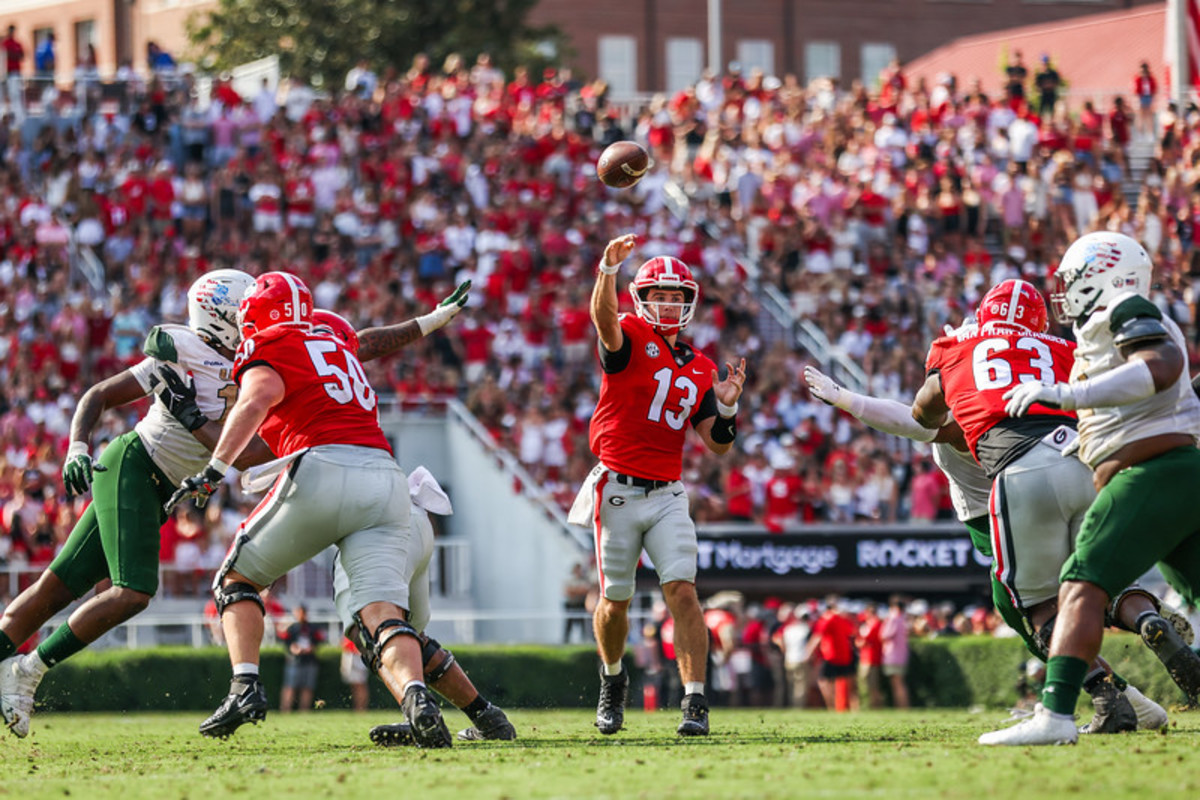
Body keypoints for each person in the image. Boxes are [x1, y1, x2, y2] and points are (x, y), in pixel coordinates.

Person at [804, 296, 1177, 733]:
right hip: (1077, 465)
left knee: (1026, 607)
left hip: (1009, 497)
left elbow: (920, 422)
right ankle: (1144, 629)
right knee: (1091, 584)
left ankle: (1106, 695)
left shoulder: (965, 360)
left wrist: (849, 399)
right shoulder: (1055, 353)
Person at [163, 272, 467, 746]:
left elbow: (258, 397)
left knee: (235, 581)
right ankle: (416, 699)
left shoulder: (268, 340)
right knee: (381, 613)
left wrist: (214, 469)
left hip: (324, 468)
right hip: (386, 476)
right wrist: (430, 321)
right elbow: (369, 341)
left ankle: (244, 686)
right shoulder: (329, 337)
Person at [0, 269, 260, 739]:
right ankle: (28, 670)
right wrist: (77, 446)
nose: (253, 320)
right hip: (134, 465)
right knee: (133, 591)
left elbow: (243, 452)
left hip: (158, 487)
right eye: (244, 312)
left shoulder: (254, 363)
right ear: (219, 317)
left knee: (56, 587)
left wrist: (194, 419)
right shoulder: (185, 351)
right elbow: (99, 394)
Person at [982, 232, 1200, 745]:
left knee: (1079, 585)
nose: (1065, 289)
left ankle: (1055, 714)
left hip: (1150, 472)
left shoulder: (1124, 306)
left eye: (1073, 277)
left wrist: (1066, 393)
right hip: (1174, 471)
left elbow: (1159, 367)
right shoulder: (1110, 324)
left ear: (1101, 272)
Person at [567, 234, 747, 737]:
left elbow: (718, 444)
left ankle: (694, 701)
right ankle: (612, 680)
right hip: (618, 490)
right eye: (660, 295)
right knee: (615, 600)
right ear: (642, 299)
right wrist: (606, 270)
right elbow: (603, 321)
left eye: (677, 296)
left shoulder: (703, 365)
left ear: (689, 303)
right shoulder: (627, 332)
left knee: (683, 593)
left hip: (668, 492)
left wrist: (728, 405)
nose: (669, 303)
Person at [278, 604, 324, 713]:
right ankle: (285, 709)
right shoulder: (292, 628)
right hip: (294, 661)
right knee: (290, 686)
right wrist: (293, 648)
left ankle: (304, 710)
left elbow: (319, 641)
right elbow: (285, 641)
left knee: (307, 687)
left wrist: (311, 648)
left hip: (309, 660)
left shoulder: (312, 628)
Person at [880, 596, 910, 708]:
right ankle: (903, 706)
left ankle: (902, 707)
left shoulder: (894, 619)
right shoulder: (904, 619)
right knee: (900, 683)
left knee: (897, 683)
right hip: (902, 655)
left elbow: (884, 635)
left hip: (893, 655)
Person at [562, 562, 591, 644]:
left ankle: (584, 641)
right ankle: (566, 642)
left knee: (583, 625)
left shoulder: (585, 580)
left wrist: (575, 590)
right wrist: (578, 590)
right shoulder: (569, 580)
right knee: (568, 625)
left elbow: (586, 591)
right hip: (571, 605)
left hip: (580, 605)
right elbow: (567, 591)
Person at [1134, 62, 1157, 141]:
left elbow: (1154, 87)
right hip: (1141, 97)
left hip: (1149, 97)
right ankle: (1140, 133)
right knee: (1140, 116)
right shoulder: (1138, 78)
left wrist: (1153, 96)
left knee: (1149, 116)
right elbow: (1135, 88)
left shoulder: (1150, 78)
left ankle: (1149, 133)